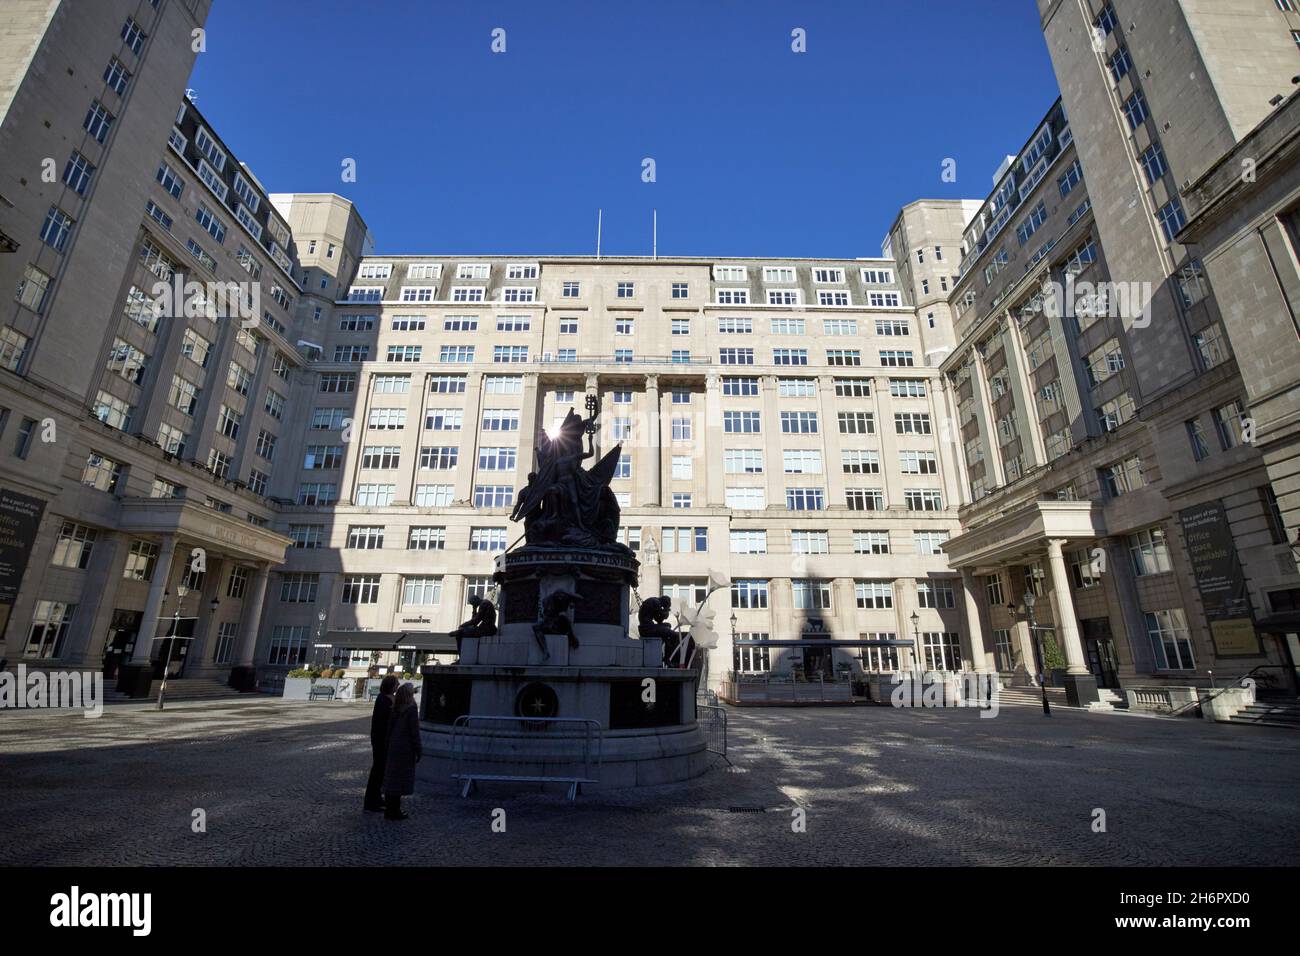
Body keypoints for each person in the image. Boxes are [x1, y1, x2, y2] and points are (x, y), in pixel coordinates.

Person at [382, 682, 422, 821]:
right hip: (405, 748)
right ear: (409, 695)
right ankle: (395, 810)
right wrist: (418, 749)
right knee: (399, 779)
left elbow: (389, 729)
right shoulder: (411, 709)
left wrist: (387, 744)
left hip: (394, 746)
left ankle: (389, 809)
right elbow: (414, 732)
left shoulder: (395, 708)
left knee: (392, 778)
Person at [363, 674, 399, 813]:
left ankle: (376, 798)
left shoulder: (385, 698)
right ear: (391, 686)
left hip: (382, 740)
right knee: (378, 771)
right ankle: (371, 801)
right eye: (396, 683)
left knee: (380, 771)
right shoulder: (384, 700)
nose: (398, 685)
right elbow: (387, 719)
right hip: (381, 741)